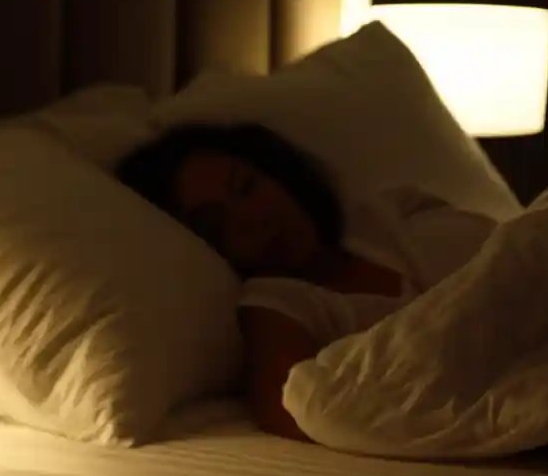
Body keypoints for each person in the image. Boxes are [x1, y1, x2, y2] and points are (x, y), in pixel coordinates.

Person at [117, 124, 497, 440]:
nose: (253, 218)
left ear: (277, 173)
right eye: (216, 225)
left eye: (247, 187)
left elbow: (518, 256)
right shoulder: (278, 301)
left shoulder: (390, 213)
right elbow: (300, 409)